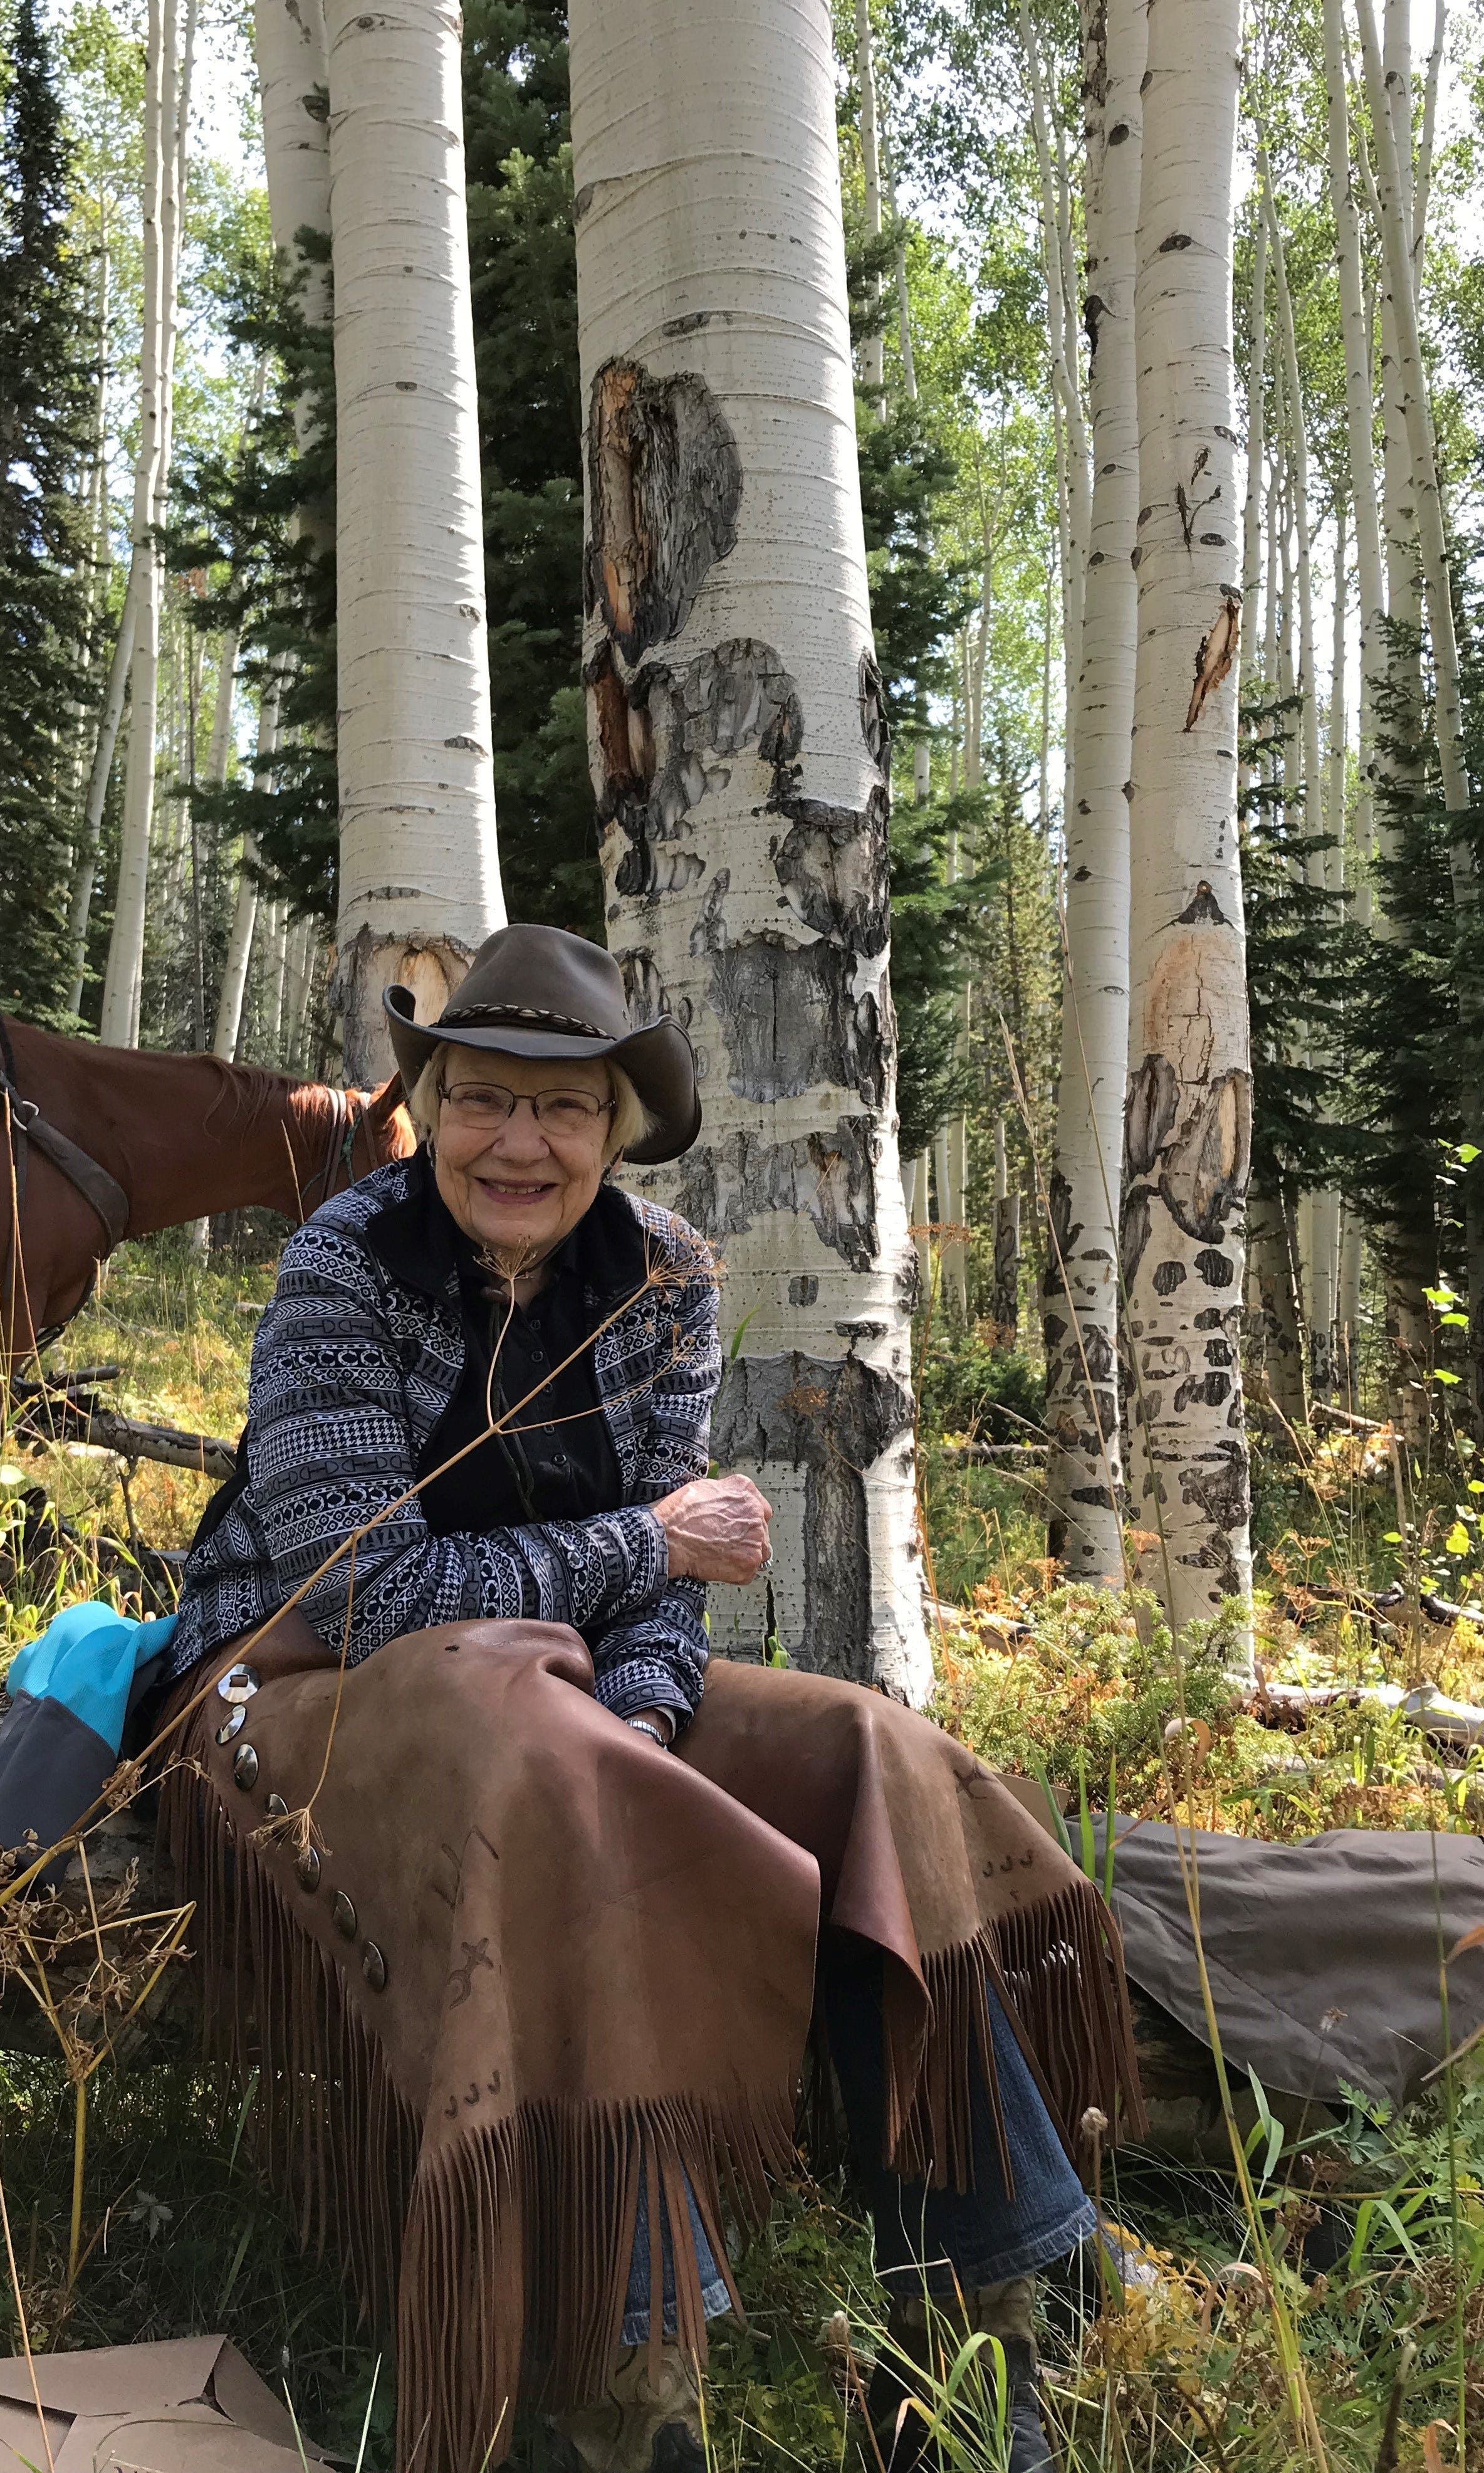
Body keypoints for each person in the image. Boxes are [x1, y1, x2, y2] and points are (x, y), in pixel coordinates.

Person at [162, 924, 1140, 2473]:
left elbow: (663, 1600)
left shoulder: (666, 1273)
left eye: (565, 1109)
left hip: (555, 1706)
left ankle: (975, 2322)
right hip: (305, 1687)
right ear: (430, 1107)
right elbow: (362, 1589)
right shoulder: (343, 1264)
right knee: (546, 1753)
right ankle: (630, 2377)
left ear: (617, 1128)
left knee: (860, 1746)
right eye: (483, 1099)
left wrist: (647, 1710)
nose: (521, 1143)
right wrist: (641, 1553)